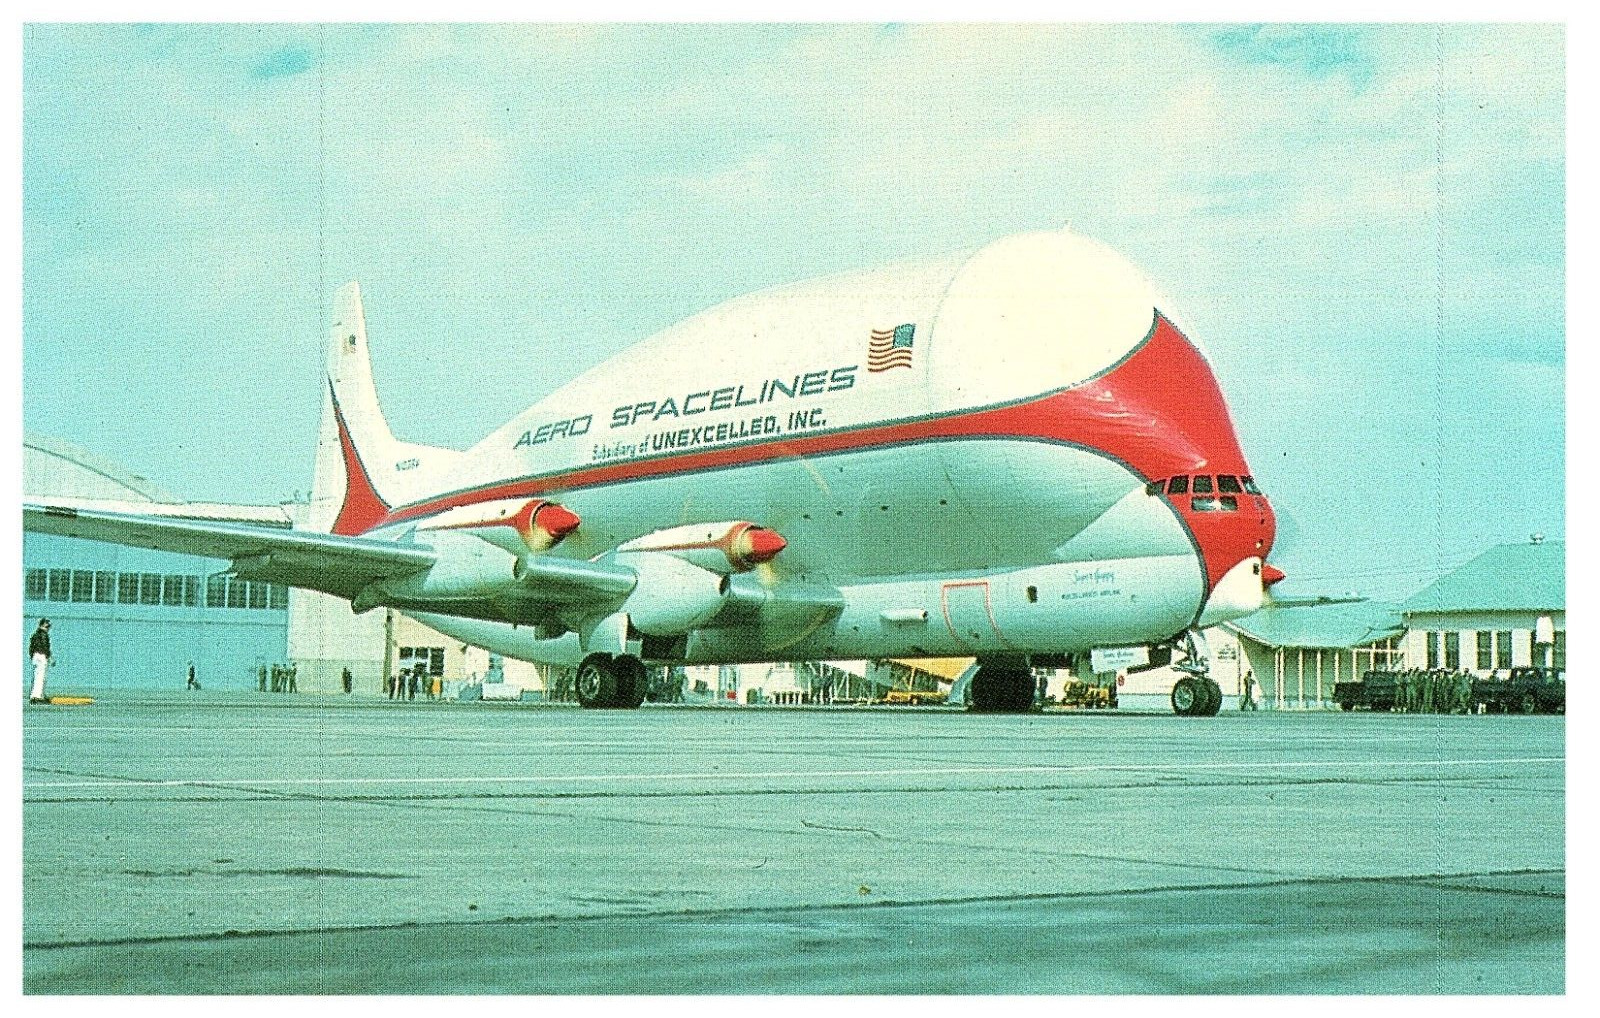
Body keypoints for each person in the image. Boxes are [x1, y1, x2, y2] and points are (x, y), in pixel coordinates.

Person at [28, 619, 52, 704]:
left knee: (36, 676)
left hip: (35, 656)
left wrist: (32, 656)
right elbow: (45, 647)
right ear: (42, 625)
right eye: (47, 626)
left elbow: (31, 648)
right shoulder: (44, 635)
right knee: (41, 677)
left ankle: (34, 695)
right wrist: (49, 657)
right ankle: (38, 696)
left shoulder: (34, 635)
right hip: (42, 656)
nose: (48, 628)